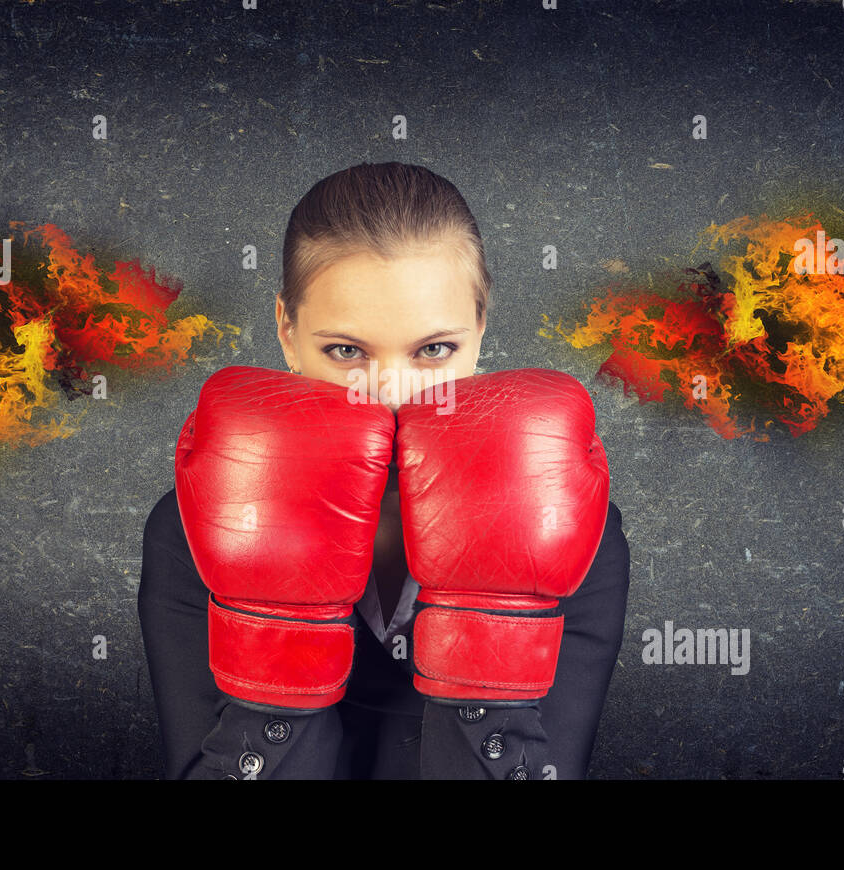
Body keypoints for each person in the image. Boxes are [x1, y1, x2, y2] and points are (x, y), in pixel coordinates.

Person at [138, 161, 631, 779]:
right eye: (347, 351)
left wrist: (485, 633)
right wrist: (283, 638)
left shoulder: (571, 527)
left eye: (434, 350)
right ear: (287, 333)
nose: (392, 391)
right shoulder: (194, 526)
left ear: (480, 328)